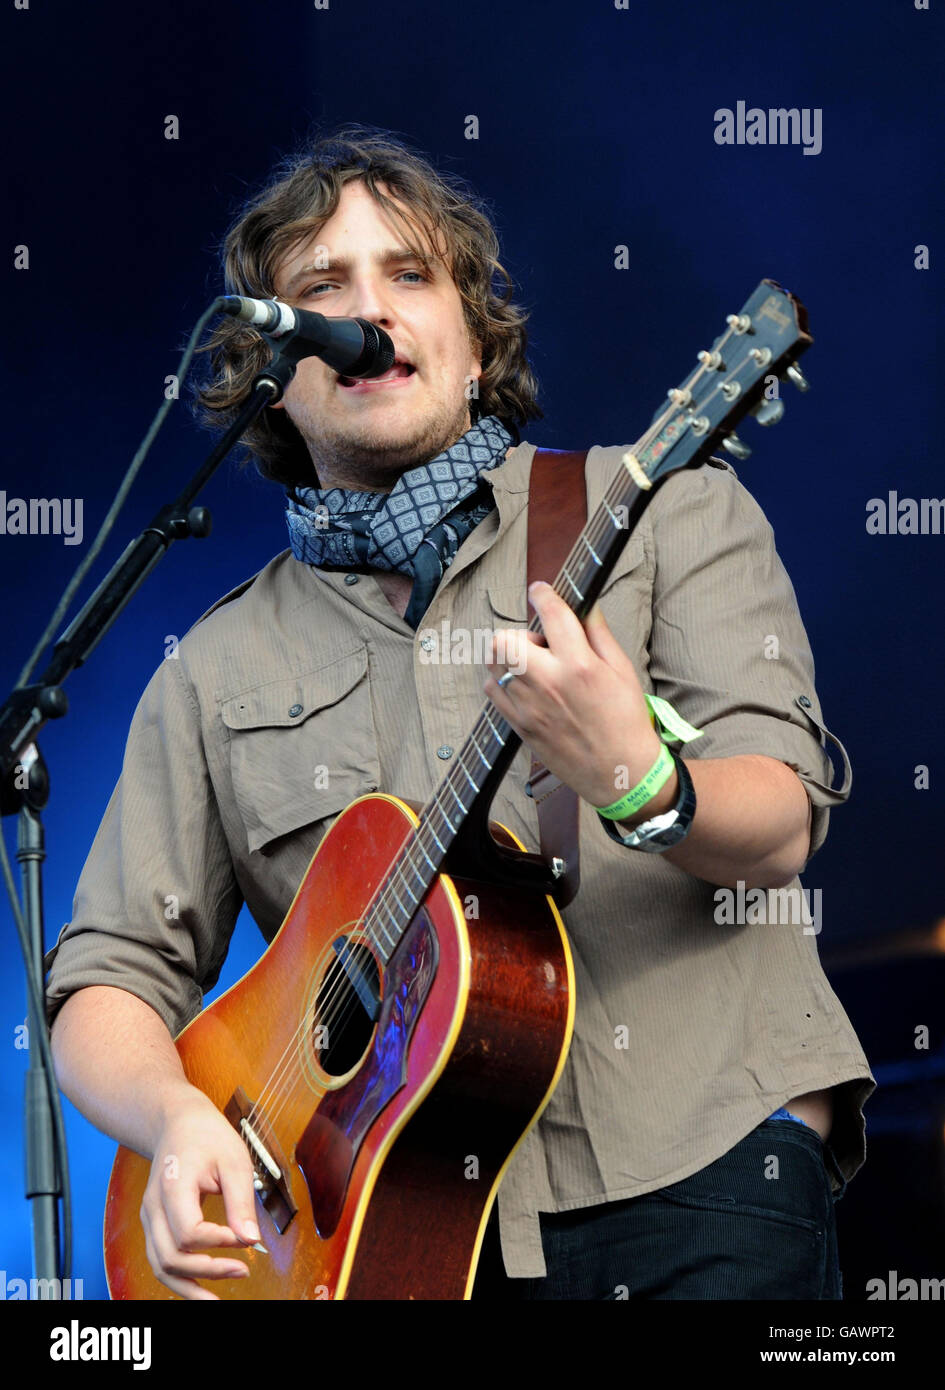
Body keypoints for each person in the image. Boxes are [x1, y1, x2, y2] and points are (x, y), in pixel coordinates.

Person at [45, 125, 875, 1301]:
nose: (366, 310)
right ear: (274, 375)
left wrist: (639, 778)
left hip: (705, 1170)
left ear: (477, 344)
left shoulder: (664, 511)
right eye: (320, 290)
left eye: (409, 274)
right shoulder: (213, 665)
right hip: (396, 1243)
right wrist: (178, 1119)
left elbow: (782, 826)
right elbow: (109, 974)